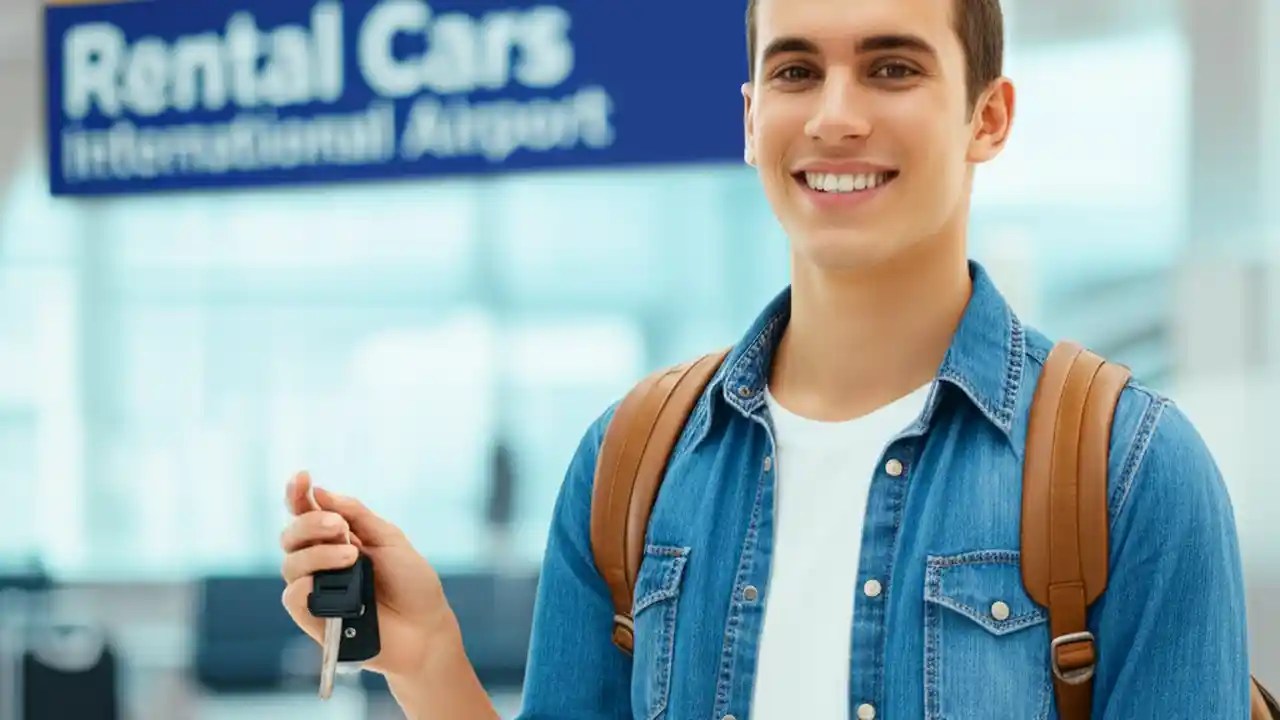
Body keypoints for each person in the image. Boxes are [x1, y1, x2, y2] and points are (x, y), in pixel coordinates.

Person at [277, 0, 1254, 716]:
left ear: (986, 117)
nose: (833, 114)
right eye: (794, 72)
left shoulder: (1128, 473)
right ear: (749, 118)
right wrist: (428, 661)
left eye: (890, 68)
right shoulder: (632, 463)